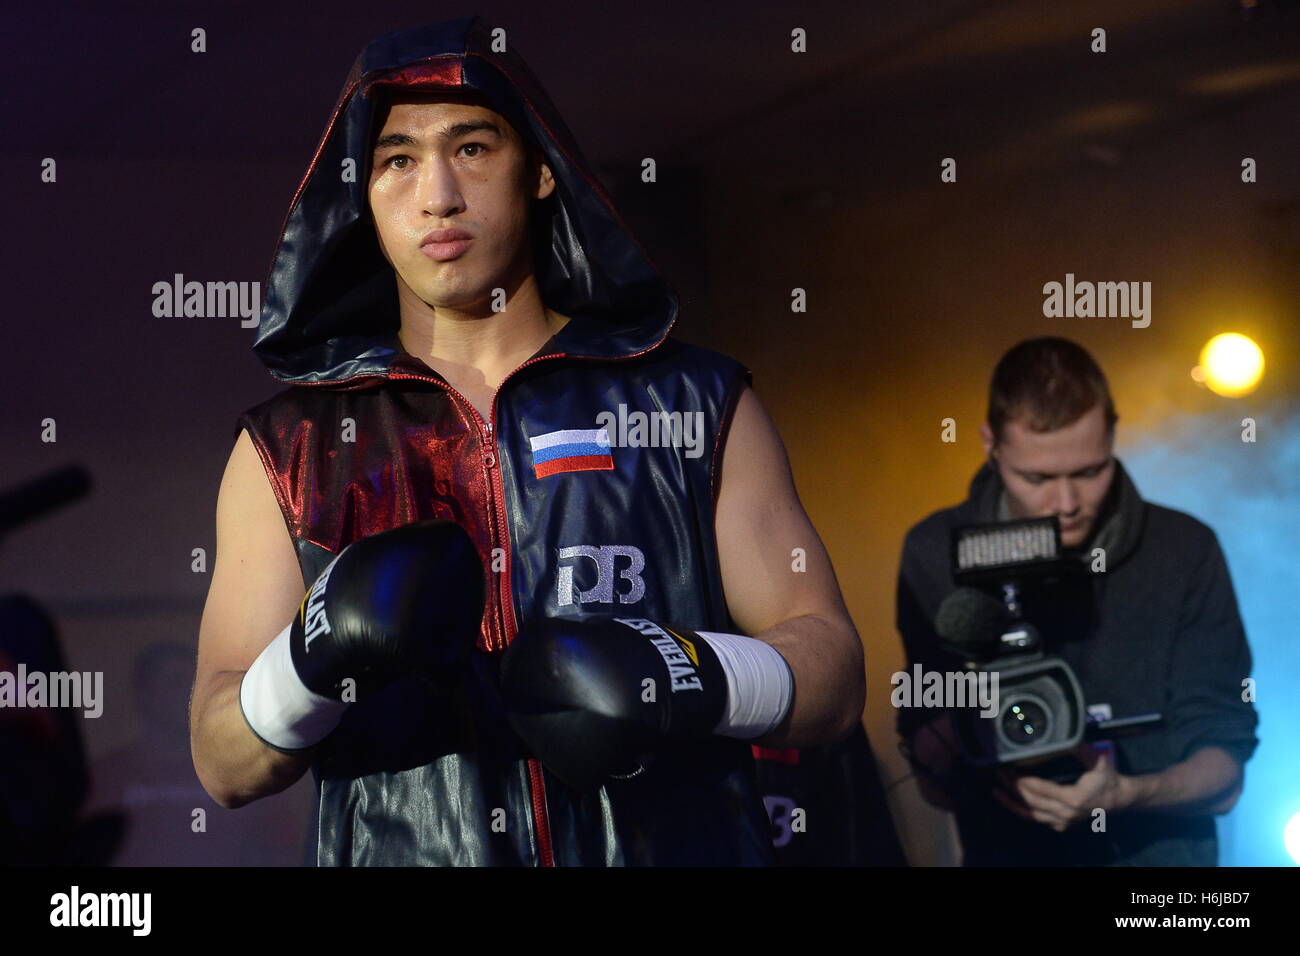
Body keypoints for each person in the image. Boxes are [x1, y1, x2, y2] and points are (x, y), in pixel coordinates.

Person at [189, 17, 863, 866]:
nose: (437, 193)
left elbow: (833, 672)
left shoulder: (694, 400)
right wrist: (315, 652)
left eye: (472, 147)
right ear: (362, 193)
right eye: (398, 160)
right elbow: (222, 761)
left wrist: (686, 672)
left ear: (541, 169)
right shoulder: (289, 449)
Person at [895, 337, 1258, 866]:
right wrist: (969, 721)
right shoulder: (937, 552)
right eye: (1037, 478)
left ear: (1113, 434)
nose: (1066, 504)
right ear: (990, 443)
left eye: (1089, 471)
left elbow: (1226, 775)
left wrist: (1127, 795)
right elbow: (930, 776)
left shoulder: (1182, 550)